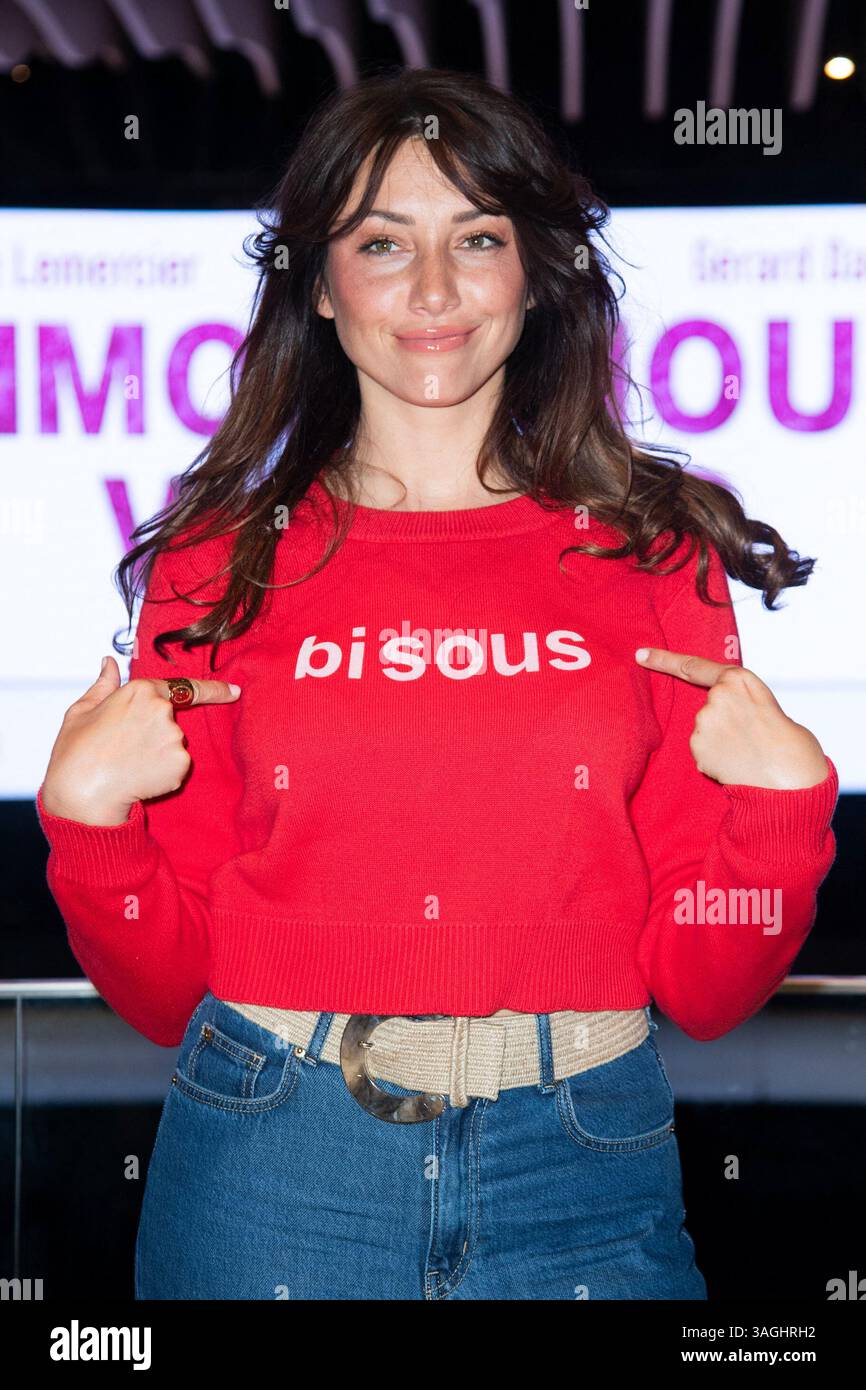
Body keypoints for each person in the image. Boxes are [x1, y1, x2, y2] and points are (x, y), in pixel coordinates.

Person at [36, 67, 838, 1301]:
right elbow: (160, 997)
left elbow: (704, 989)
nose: (430, 292)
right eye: (379, 241)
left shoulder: (651, 551)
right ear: (319, 280)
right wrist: (89, 829)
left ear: (534, 273)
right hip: (273, 1163)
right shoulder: (216, 562)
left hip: (583, 1162)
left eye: (476, 238)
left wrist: (782, 822)